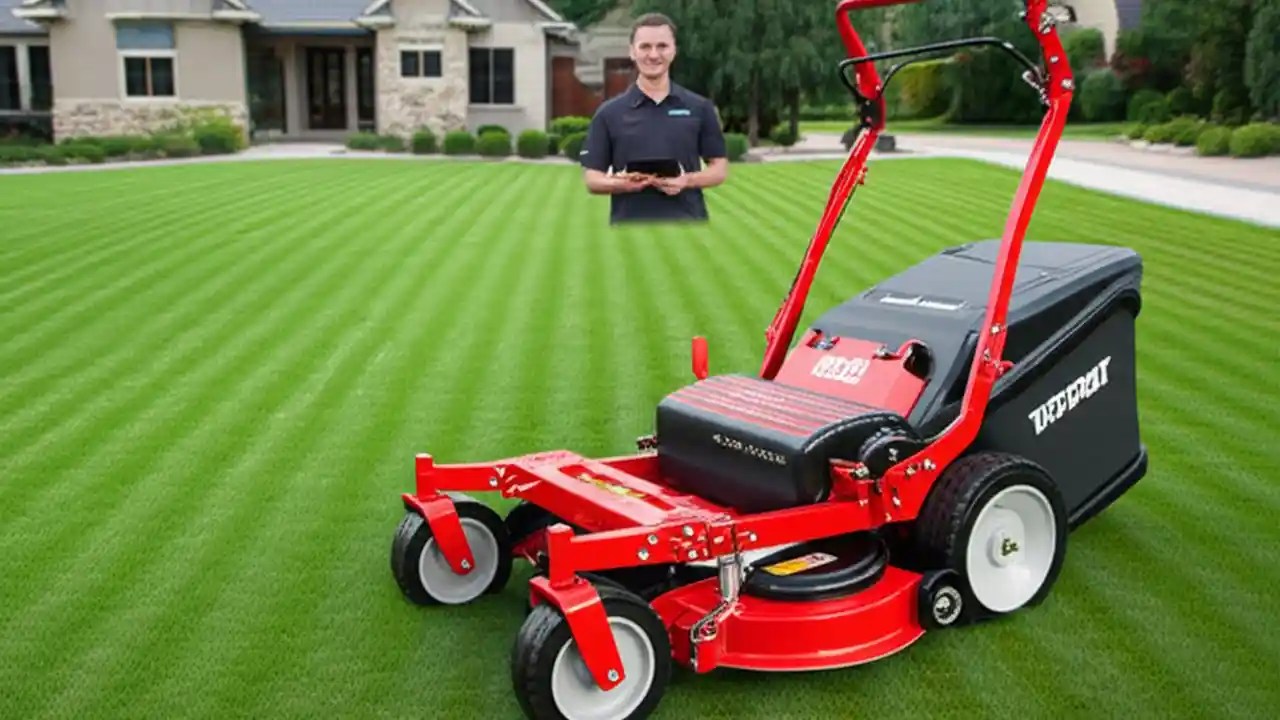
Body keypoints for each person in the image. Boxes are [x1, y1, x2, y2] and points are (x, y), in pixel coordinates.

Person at [578, 12, 728, 224]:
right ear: (632, 52)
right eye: (645, 47)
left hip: (689, 226)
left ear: (674, 50)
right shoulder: (609, 113)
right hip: (628, 229)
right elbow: (592, 179)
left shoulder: (699, 108)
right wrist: (621, 184)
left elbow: (719, 169)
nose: (654, 55)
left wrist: (687, 181)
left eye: (662, 46)